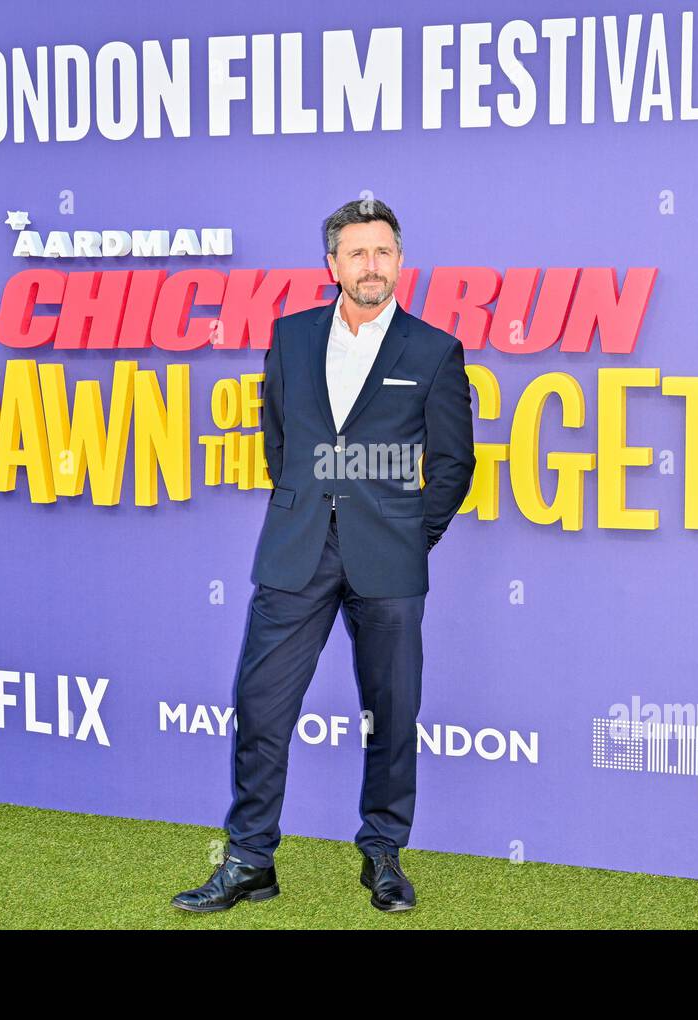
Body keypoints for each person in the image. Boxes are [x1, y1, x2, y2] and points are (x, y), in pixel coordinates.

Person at [172, 198, 475, 913]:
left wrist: (408, 533)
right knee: (260, 704)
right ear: (332, 264)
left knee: (392, 711)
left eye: (384, 253)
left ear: (400, 262)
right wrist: (311, 505)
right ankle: (249, 858)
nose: (371, 266)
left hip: (389, 561)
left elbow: (454, 464)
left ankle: (384, 855)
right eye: (357, 253)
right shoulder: (291, 337)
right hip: (297, 549)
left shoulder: (433, 350)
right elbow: (282, 444)